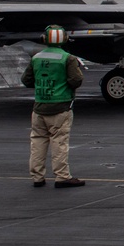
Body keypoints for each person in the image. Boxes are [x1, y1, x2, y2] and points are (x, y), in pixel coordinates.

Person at [21, 25, 84, 189]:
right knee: (59, 142)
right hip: (60, 107)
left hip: (39, 107)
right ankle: (62, 177)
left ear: (44, 39)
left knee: (37, 141)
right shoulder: (68, 58)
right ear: (64, 39)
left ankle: (37, 177)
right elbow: (76, 80)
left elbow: (26, 80)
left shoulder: (36, 57)